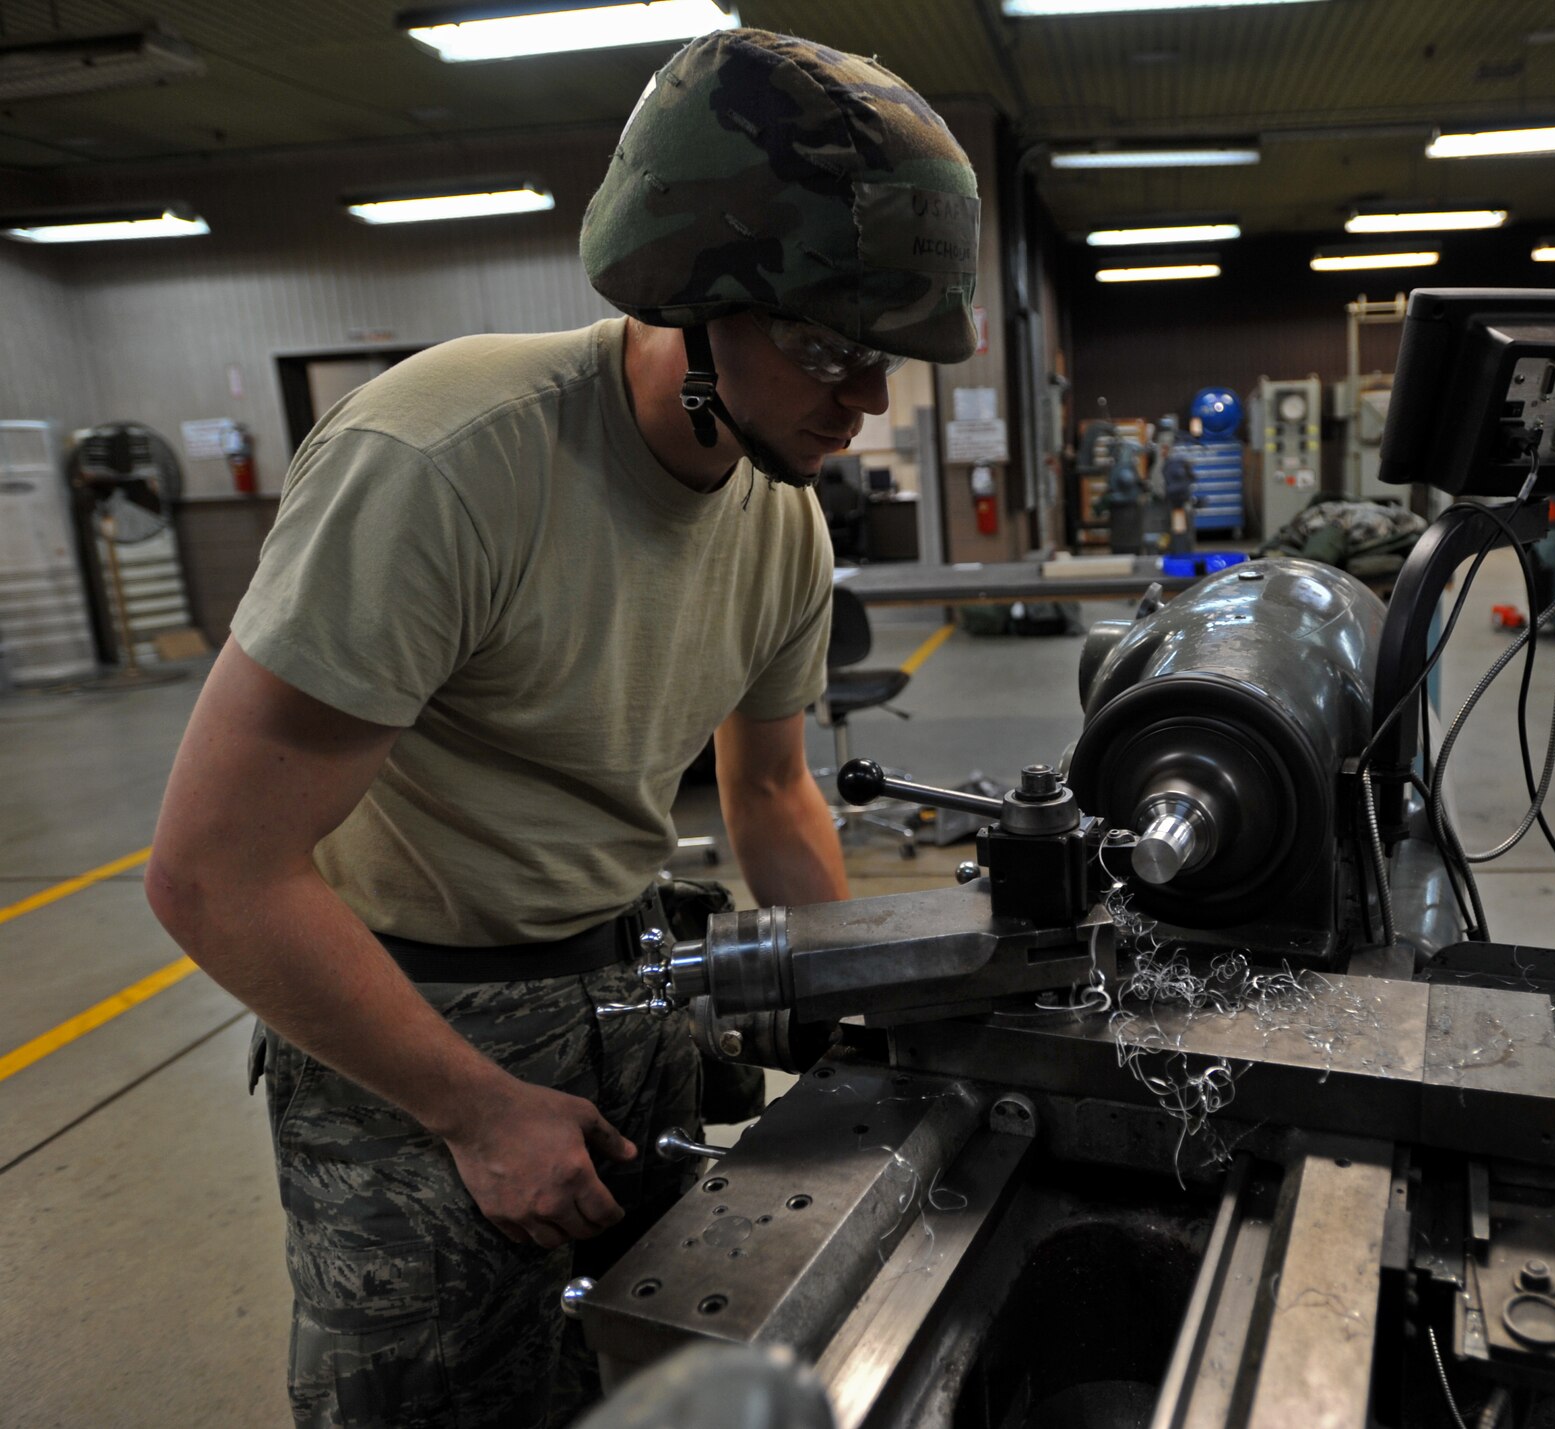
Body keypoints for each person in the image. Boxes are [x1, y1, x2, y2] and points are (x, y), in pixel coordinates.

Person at [144, 28, 979, 1429]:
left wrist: (865, 1019)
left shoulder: (778, 522)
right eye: (832, 343)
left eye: (886, 352)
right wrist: (475, 1108)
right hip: (406, 1034)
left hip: (626, 999)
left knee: (639, 1380)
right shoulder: (443, 464)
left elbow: (770, 793)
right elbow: (215, 872)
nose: (870, 399)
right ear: (697, 294)